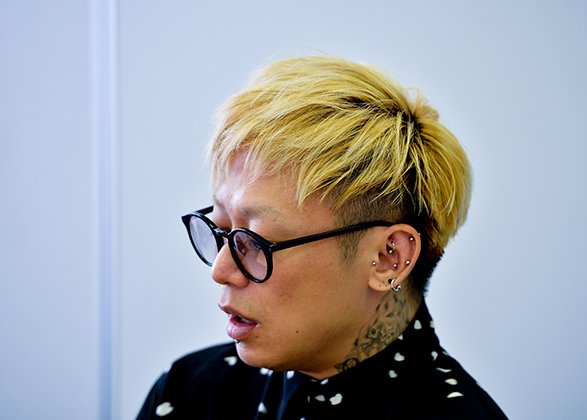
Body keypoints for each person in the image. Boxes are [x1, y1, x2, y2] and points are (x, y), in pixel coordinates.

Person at [137, 55, 507, 419]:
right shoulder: (189, 393)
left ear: (388, 258)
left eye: (256, 241)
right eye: (221, 231)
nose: (220, 271)